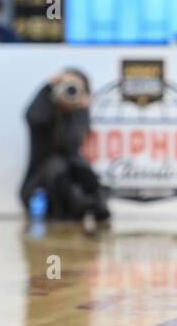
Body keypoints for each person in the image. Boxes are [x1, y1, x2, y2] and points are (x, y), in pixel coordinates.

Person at [19, 69, 110, 235]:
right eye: (66, 86)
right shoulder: (44, 110)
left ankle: (89, 209)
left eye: (75, 88)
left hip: (70, 184)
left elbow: (71, 144)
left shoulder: (79, 111)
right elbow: (34, 117)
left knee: (83, 170)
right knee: (56, 165)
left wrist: (78, 109)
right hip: (38, 186)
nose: (70, 91)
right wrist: (48, 88)